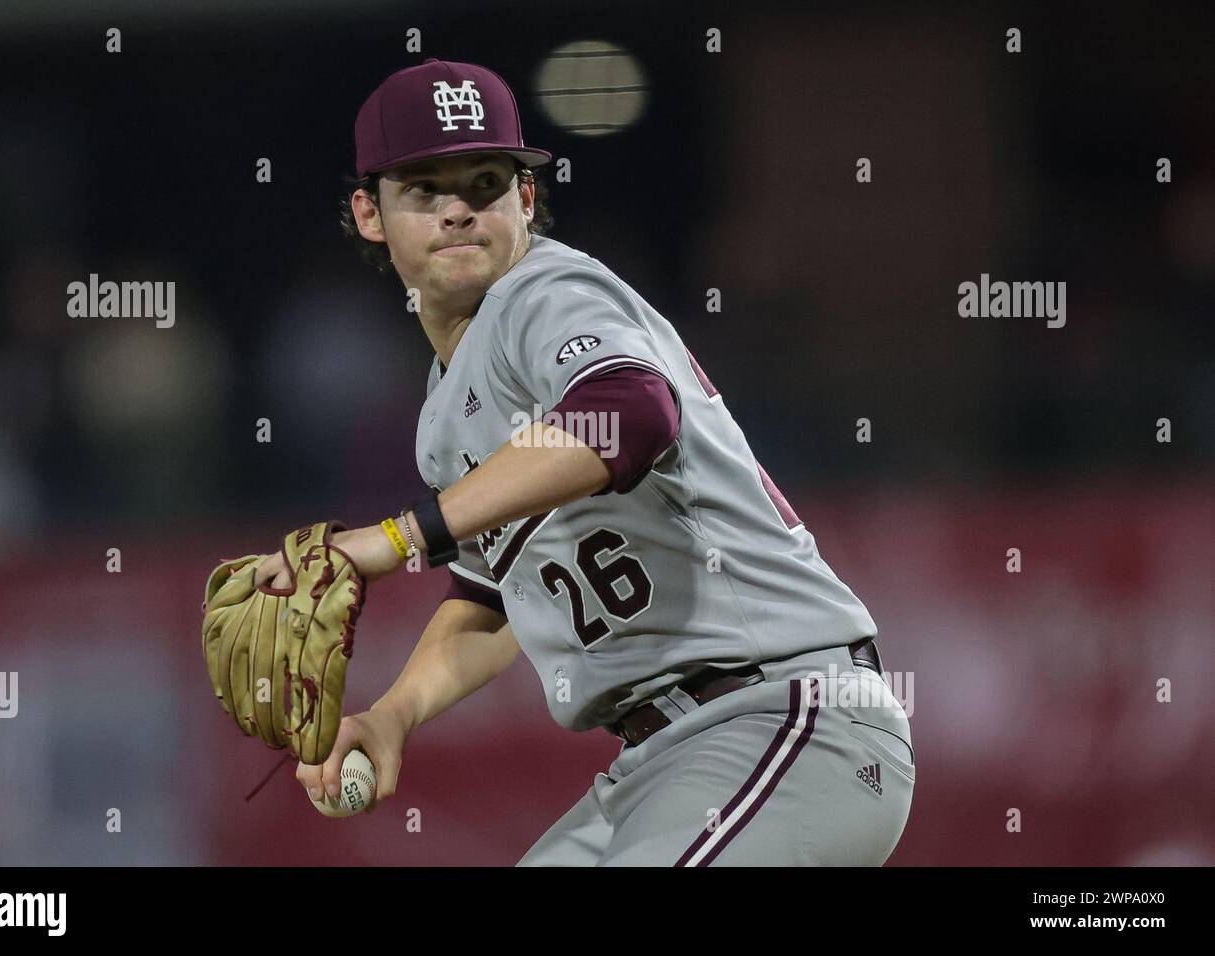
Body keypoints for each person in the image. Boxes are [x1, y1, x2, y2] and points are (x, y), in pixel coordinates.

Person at [262, 58, 915, 865]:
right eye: (425, 189)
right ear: (369, 213)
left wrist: (398, 538)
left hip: (781, 718)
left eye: (485, 182)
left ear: (526, 200)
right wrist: (394, 713)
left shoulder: (543, 293)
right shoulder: (443, 412)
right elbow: (495, 595)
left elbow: (630, 413)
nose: (459, 210)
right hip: (658, 762)